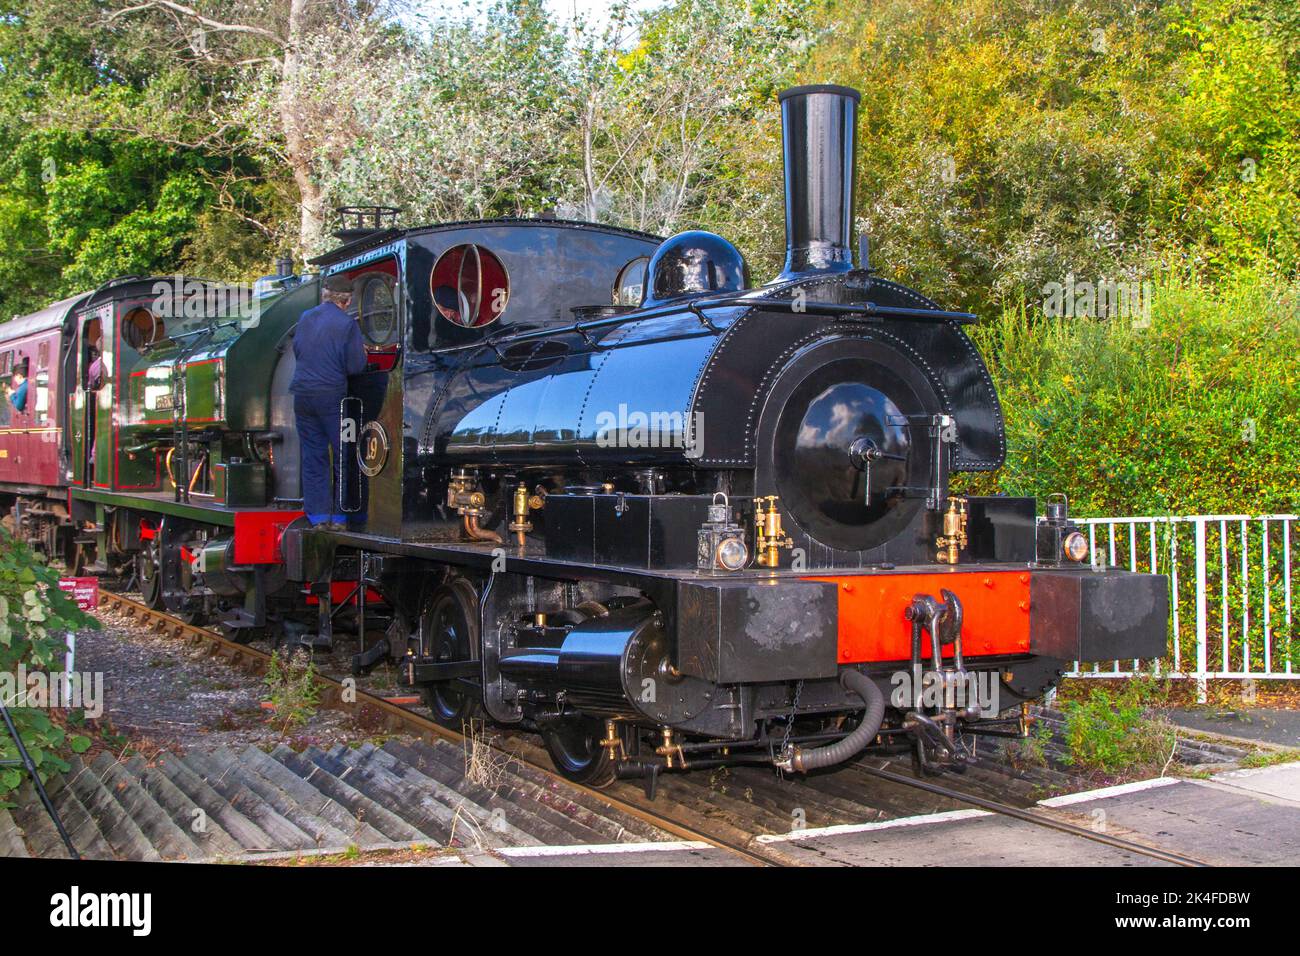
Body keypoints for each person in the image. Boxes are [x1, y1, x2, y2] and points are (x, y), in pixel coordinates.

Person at [291, 275, 367, 526]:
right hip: (331, 397)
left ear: (325, 295)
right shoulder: (347, 324)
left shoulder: (305, 318)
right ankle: (342, 515)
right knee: (344, 454)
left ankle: (318, 516)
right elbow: (355, 366)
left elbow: (299, 351)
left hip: (302, 395)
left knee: (314, 455)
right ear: (346, 301)